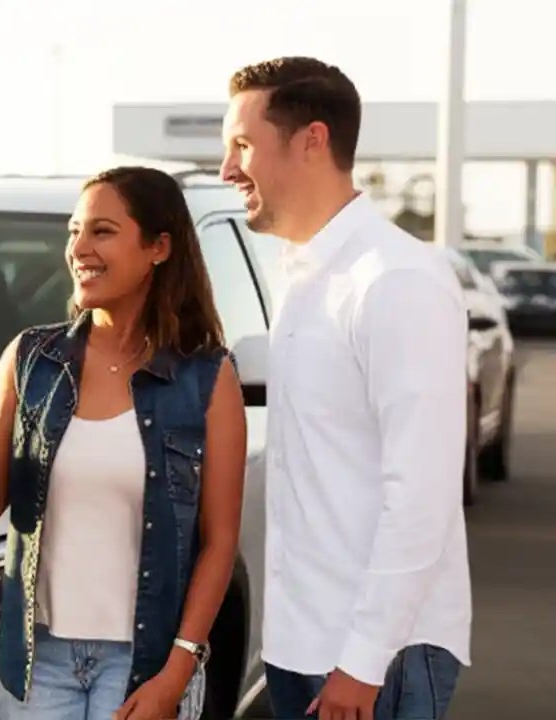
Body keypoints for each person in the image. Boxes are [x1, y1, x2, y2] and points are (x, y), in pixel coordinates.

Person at [0, 166, 247, 720]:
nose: (79, 248)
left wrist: (177, 670)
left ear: (158, 247)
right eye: (74, 231)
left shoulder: (207, 378)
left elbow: (219, 544)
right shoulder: (31, 361)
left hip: (143, 663)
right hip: (40, 662)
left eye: (102, 231)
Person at [220, 56, 472, 720]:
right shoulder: (304, 277)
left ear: (312, 140)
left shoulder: (395, 279)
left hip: (375, 662)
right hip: (301, 647)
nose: (227, 169)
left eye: (242, 145)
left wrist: (362, 664)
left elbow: (421, 493)